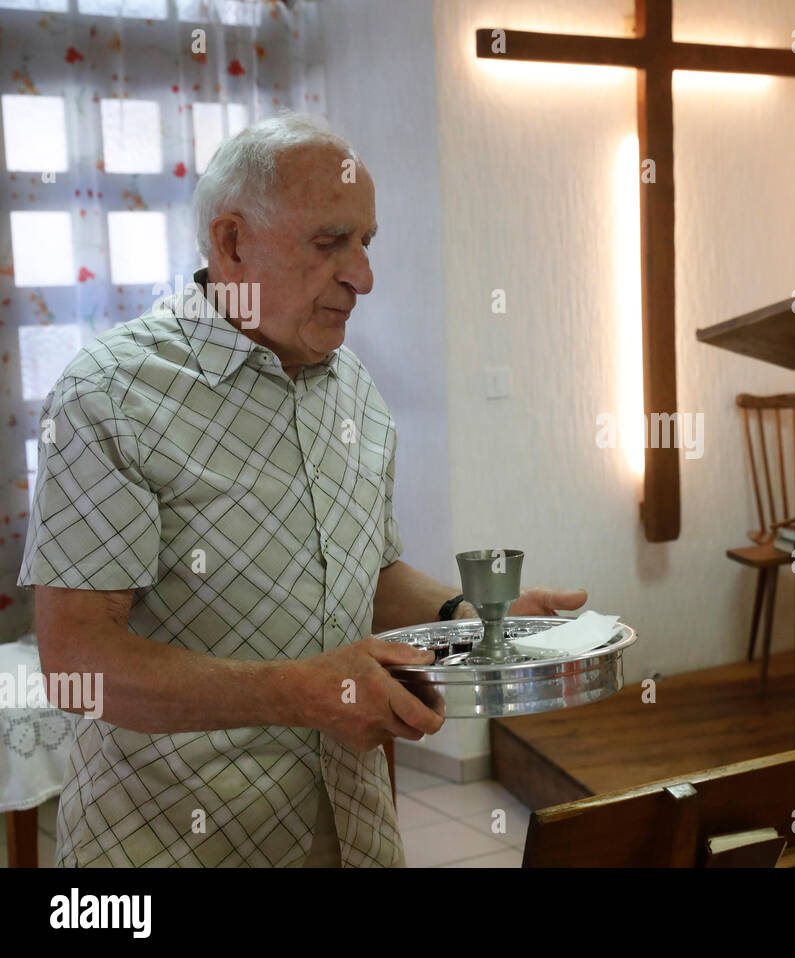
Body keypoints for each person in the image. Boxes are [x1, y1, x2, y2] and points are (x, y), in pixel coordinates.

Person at [17, 112, 586, 867]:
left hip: (352, 835)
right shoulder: (111, 395)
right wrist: (298, 693)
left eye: (365, 243)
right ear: (231, 244)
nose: (364, 276)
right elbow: (77, 665)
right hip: (171, 846)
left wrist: (473, 620)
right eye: (329, 243)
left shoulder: (353, 387)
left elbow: (364, 576)